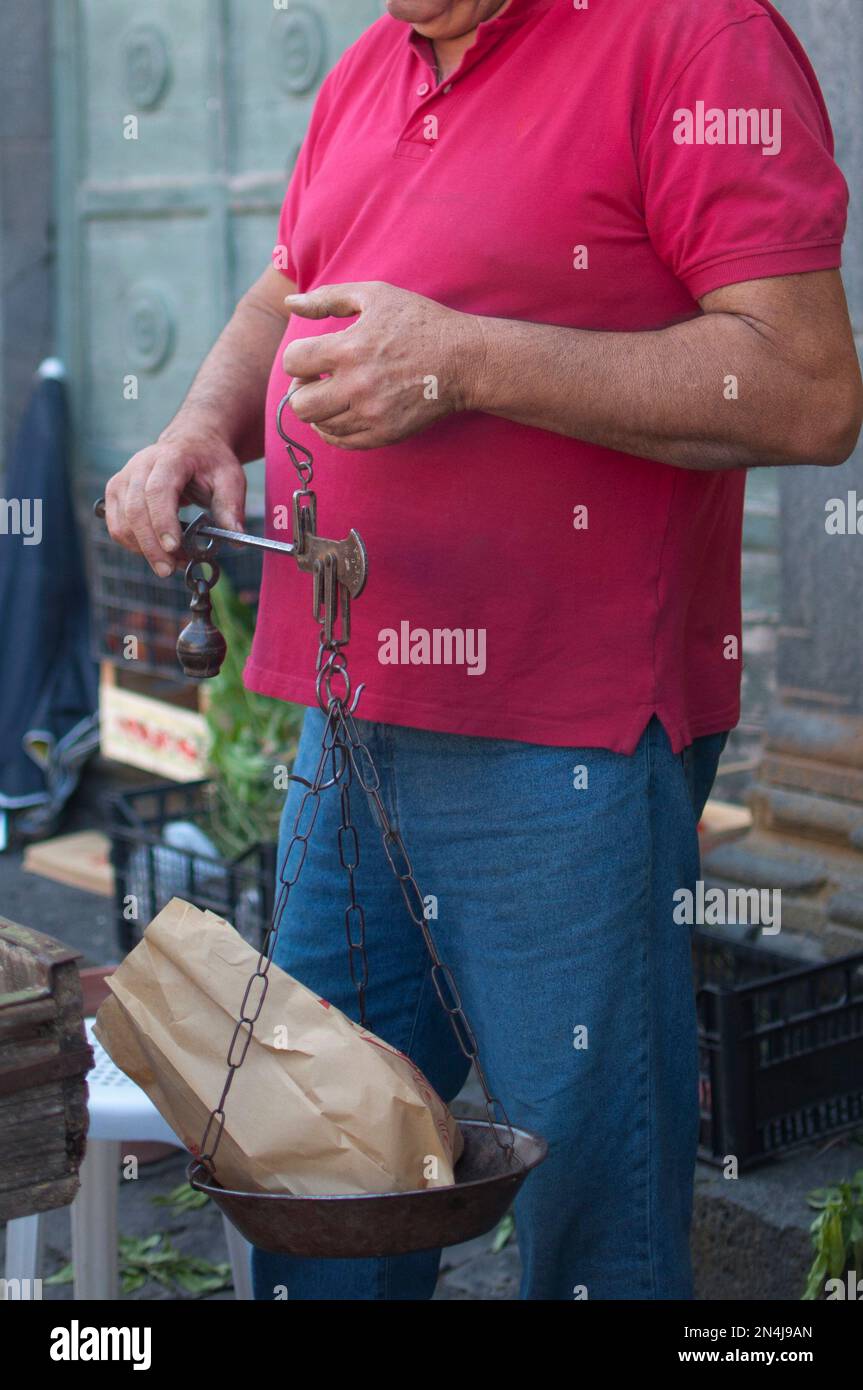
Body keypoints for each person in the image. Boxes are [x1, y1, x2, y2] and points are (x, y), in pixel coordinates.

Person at [104, 0, 862, 1299]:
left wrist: (464, 362)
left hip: (564, 752)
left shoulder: (694, 38)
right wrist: (199, 426)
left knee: (592, 1216)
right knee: (317, 1168)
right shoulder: (367, 69)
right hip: (345, 737)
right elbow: (289, 280)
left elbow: (804, 388)